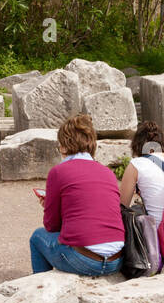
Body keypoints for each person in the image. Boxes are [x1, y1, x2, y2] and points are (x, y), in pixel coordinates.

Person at [30, 114, 124, 276]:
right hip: (116, 260)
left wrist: (51, 207)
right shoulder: (107, 172)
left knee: (37, 237)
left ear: (64, 145)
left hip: (83, 258)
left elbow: (51, 226)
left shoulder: (59, 172)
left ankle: (43, 288)